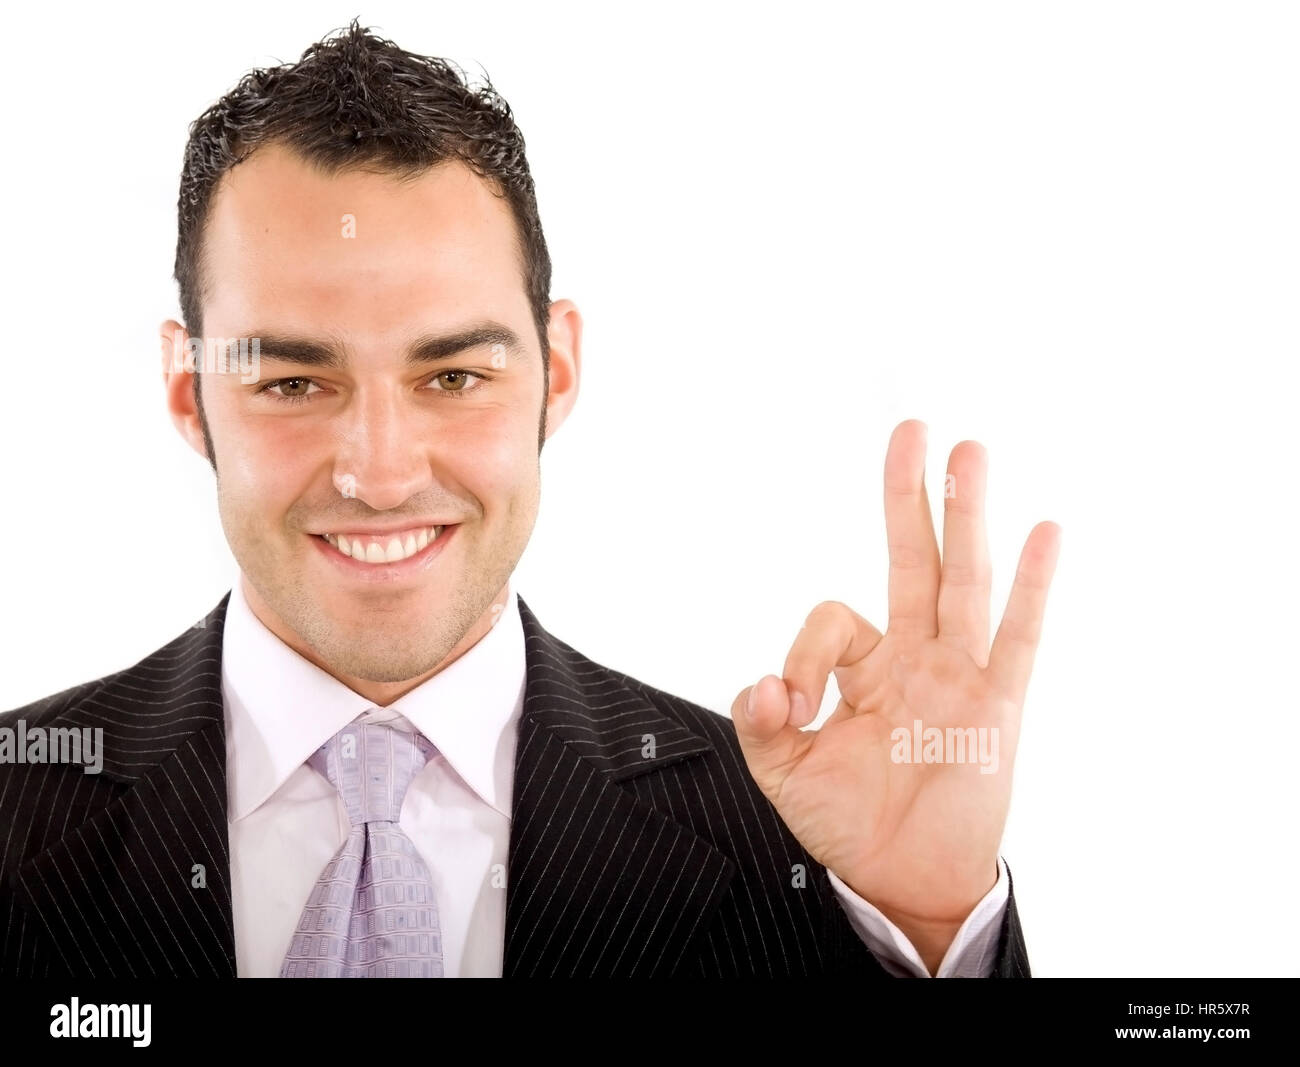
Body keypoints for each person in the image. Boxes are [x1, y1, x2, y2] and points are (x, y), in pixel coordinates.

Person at [0, 20, 1059, 978]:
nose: (380, 471)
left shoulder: (792, 835)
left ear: (556, 368)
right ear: (191, 394)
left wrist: (926, 931)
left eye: (452, 376)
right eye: (290, 382)